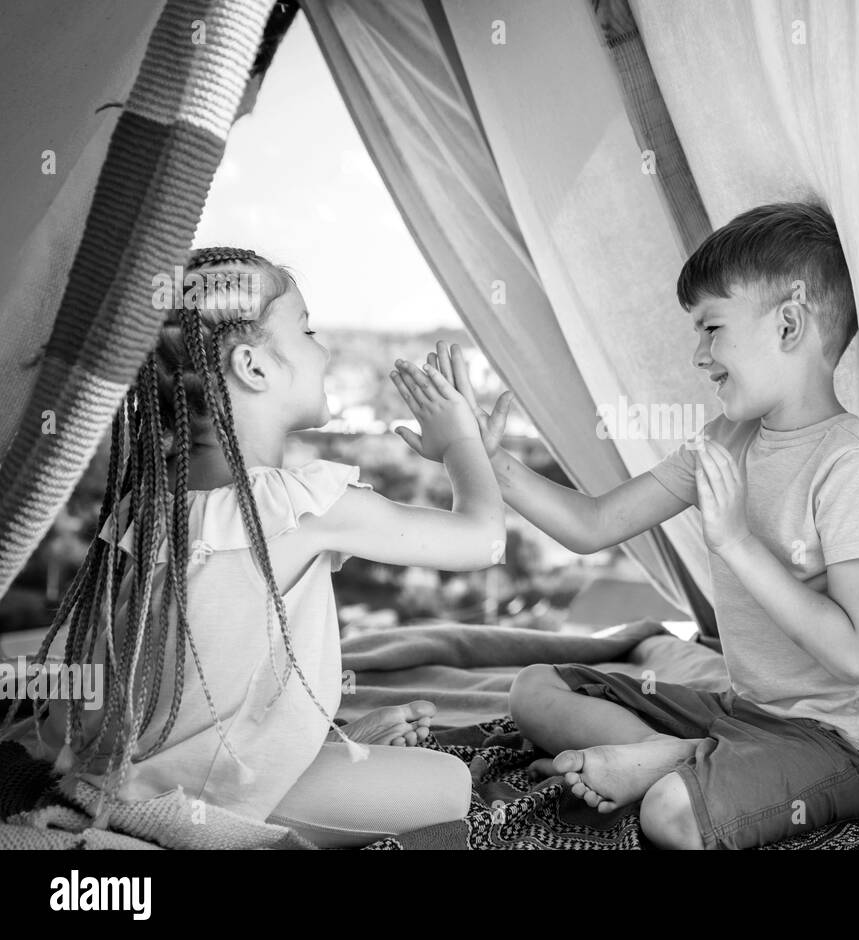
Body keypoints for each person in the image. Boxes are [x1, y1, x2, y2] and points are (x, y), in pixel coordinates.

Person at [1, 247, 503, 848]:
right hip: (209, 801)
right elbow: (484, 540)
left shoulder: (147, 509)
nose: (325, 348)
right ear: (253, 367)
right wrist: (461, 443)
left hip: (127, 776)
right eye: (307, 328)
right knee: (451, 784)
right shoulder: (299, 506)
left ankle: (317, 752)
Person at [449, 202, 859, 849]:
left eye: (711, 327)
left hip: (841, 742)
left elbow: (858, 655)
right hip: (741, 715)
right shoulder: (723, 440)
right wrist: (485, 457)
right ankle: (666, 753)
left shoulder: (852, 463)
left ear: (788, 323)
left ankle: (671, 769)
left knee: (670, 816)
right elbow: (591, 524)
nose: (699, 355)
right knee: (535, 688)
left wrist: (738, 543)